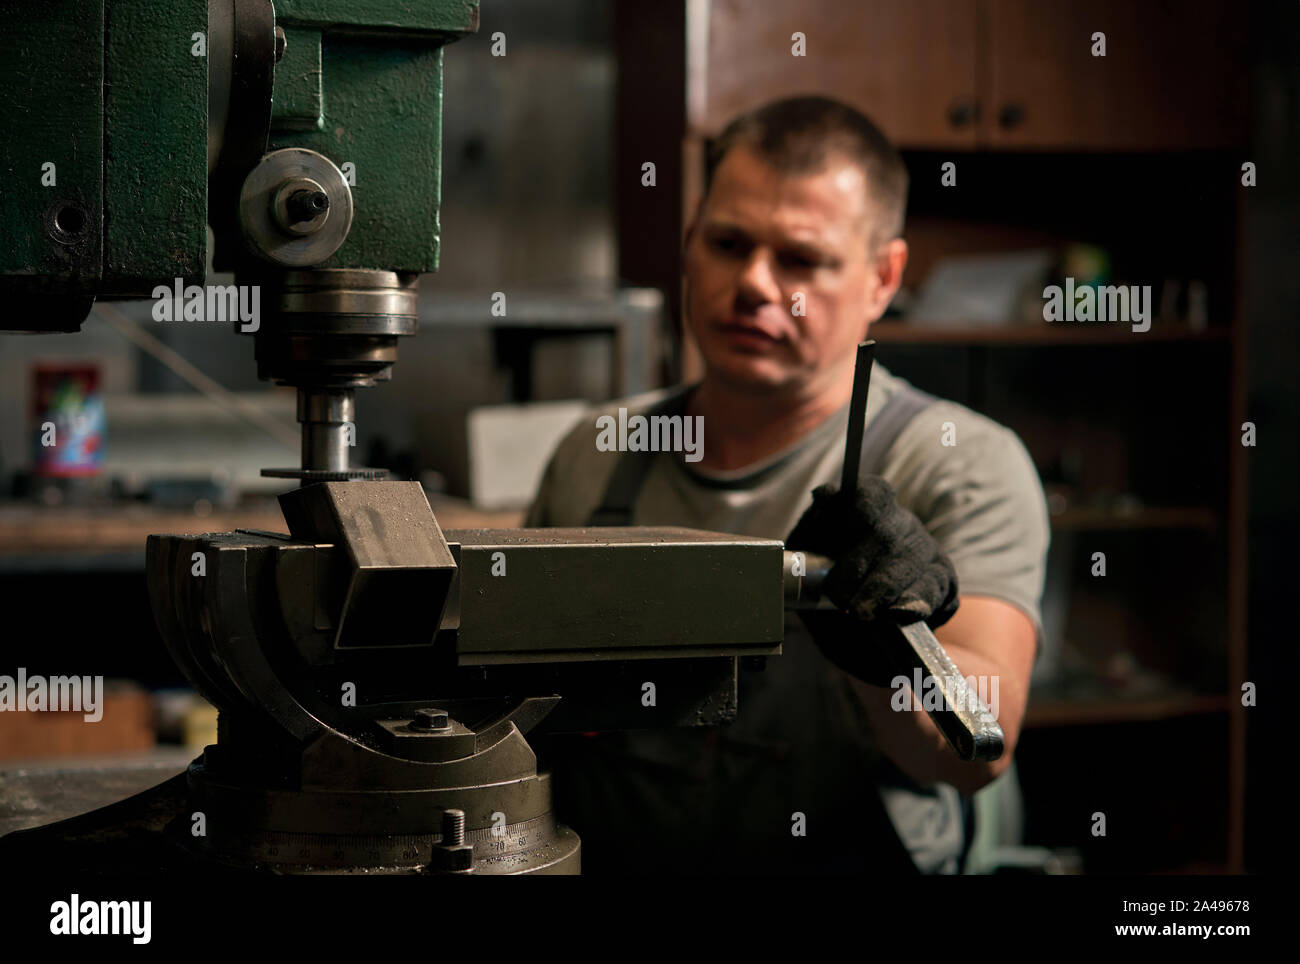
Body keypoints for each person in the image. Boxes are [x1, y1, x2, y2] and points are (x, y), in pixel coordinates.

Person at [525, 96, 1050, 874]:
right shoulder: (598, 454)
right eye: (729, 243)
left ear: (882, 277)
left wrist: (889, 654)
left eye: (802, 259)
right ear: (689, 245)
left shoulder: (959, 462)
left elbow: (977, 747)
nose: (756, 284)